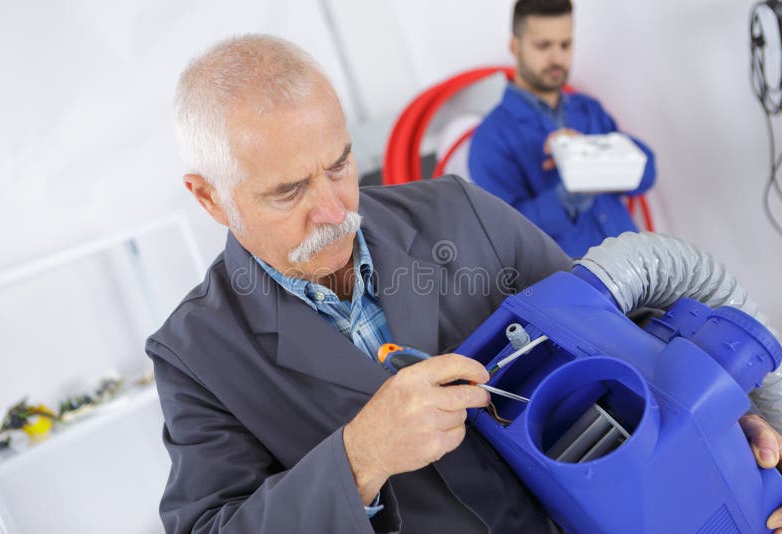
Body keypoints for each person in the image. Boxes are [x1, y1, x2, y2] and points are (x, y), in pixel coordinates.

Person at [147, 34, 782, 533]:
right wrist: (359, 460)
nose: (336, 210)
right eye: (288, 191)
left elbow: (614, 333)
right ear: (209, 197)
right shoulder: (195, 357)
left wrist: (728, 421)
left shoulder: (459, 212)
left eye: (339, 164)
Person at [468, 0, 656, 258]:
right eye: (543, 45)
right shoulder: (490, 139)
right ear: (515, 47)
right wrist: (569, 194)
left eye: (565, 45)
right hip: (573, 285)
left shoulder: (589, 110)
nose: (557, 58)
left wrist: (592, 154)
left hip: (640, 265)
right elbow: (506, 236)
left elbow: (646, 174)